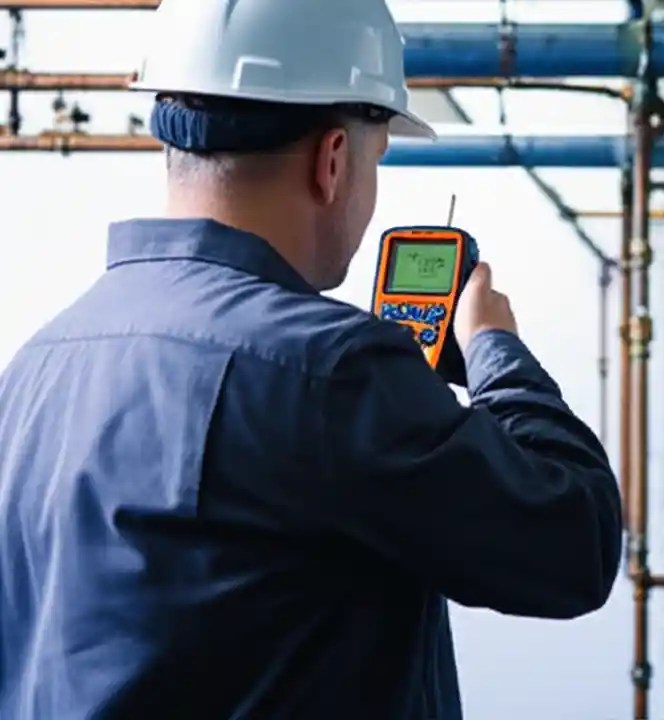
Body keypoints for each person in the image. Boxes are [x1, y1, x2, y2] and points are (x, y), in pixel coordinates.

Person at [0, 1, 623, 718]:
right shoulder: (326, 367)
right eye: (376, 156)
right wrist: (495, 351)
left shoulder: (35, 370)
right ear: (332, 160)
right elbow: (574, 544)